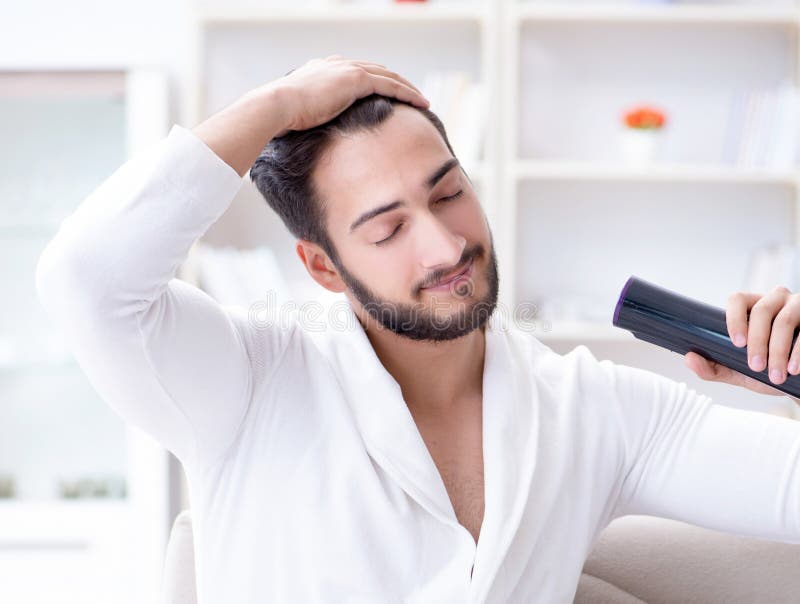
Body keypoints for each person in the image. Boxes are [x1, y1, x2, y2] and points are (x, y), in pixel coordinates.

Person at [35, 55, 800, 603]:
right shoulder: (243, 382)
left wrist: (787, 376)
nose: (445, 246)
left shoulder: (596, 409)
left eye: (448, 193)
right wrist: (279, 103)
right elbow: (89, 279)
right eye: (387, 228)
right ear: (323, 267)